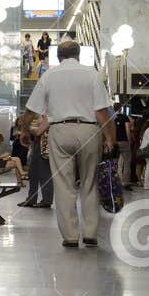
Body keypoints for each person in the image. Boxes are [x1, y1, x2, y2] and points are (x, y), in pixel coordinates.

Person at [25, 39, 114, 248]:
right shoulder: (92, 74)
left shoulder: (48, 76)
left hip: (60, 130)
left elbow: (32, 110)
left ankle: (71, 236)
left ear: (58, 57)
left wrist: (24, 131)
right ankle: (90, 233)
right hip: (89, 130)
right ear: (79, 55)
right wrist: (109, 137)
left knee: (63, 185)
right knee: (89, 182)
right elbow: (102, 111)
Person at [21, 113, 53, 208]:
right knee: (33, 172)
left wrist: (29, 128)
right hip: (38, 144)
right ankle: (31, 199)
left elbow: (39, 131)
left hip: (44, 146)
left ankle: (47, 200)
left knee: (45, 174)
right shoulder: (42, 114)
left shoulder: (49, 113)